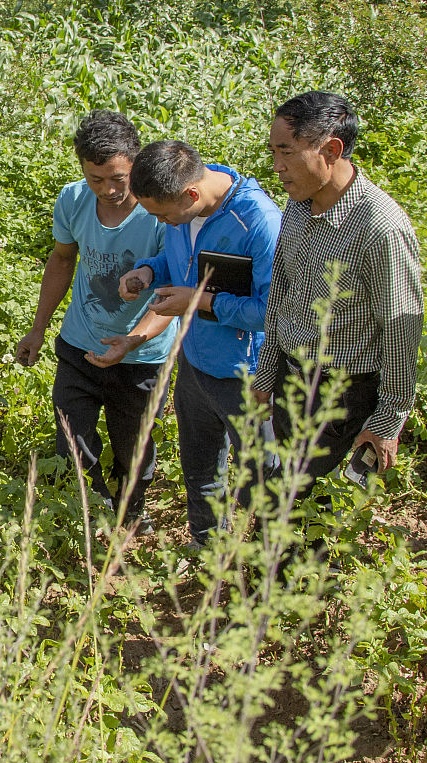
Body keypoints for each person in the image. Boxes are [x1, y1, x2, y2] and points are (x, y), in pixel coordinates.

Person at [251, 92, 423, 508]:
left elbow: (401, 328)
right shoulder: (297, 206)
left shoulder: (380, 227)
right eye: (273, 152)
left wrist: (388, 420)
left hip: (341, 398)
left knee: (294, 509)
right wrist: (267, 374)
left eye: (287, 152)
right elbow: (282, 296)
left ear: (331, 150)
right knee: (286, 501)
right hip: (294, 382)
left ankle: (285, 573)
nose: (277, 167)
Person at [13, 111, 174, 531]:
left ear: (136, 163)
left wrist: (134, 340)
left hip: (142, 357)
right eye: (96, 179)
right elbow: (62, 260)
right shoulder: (73, 200)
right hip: (81, 343)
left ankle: (131, 511)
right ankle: (94, 509)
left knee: (133, 444)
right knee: (73, 438)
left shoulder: (161, 212)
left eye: (118, 178)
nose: (108, 189)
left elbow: (172, 293)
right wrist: (38, 328)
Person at [118, 141, 282, 546]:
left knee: (261, 475)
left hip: (245, 373)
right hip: (194, 359)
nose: (163, 224)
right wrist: (146, 272)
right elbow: (177, 261)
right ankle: (207, 543)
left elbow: (271, 311)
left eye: (163, 215)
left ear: (191, 194)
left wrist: (200, 301)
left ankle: (273, 558)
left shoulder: (258, 222)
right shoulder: (183, 211)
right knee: (200, 461)